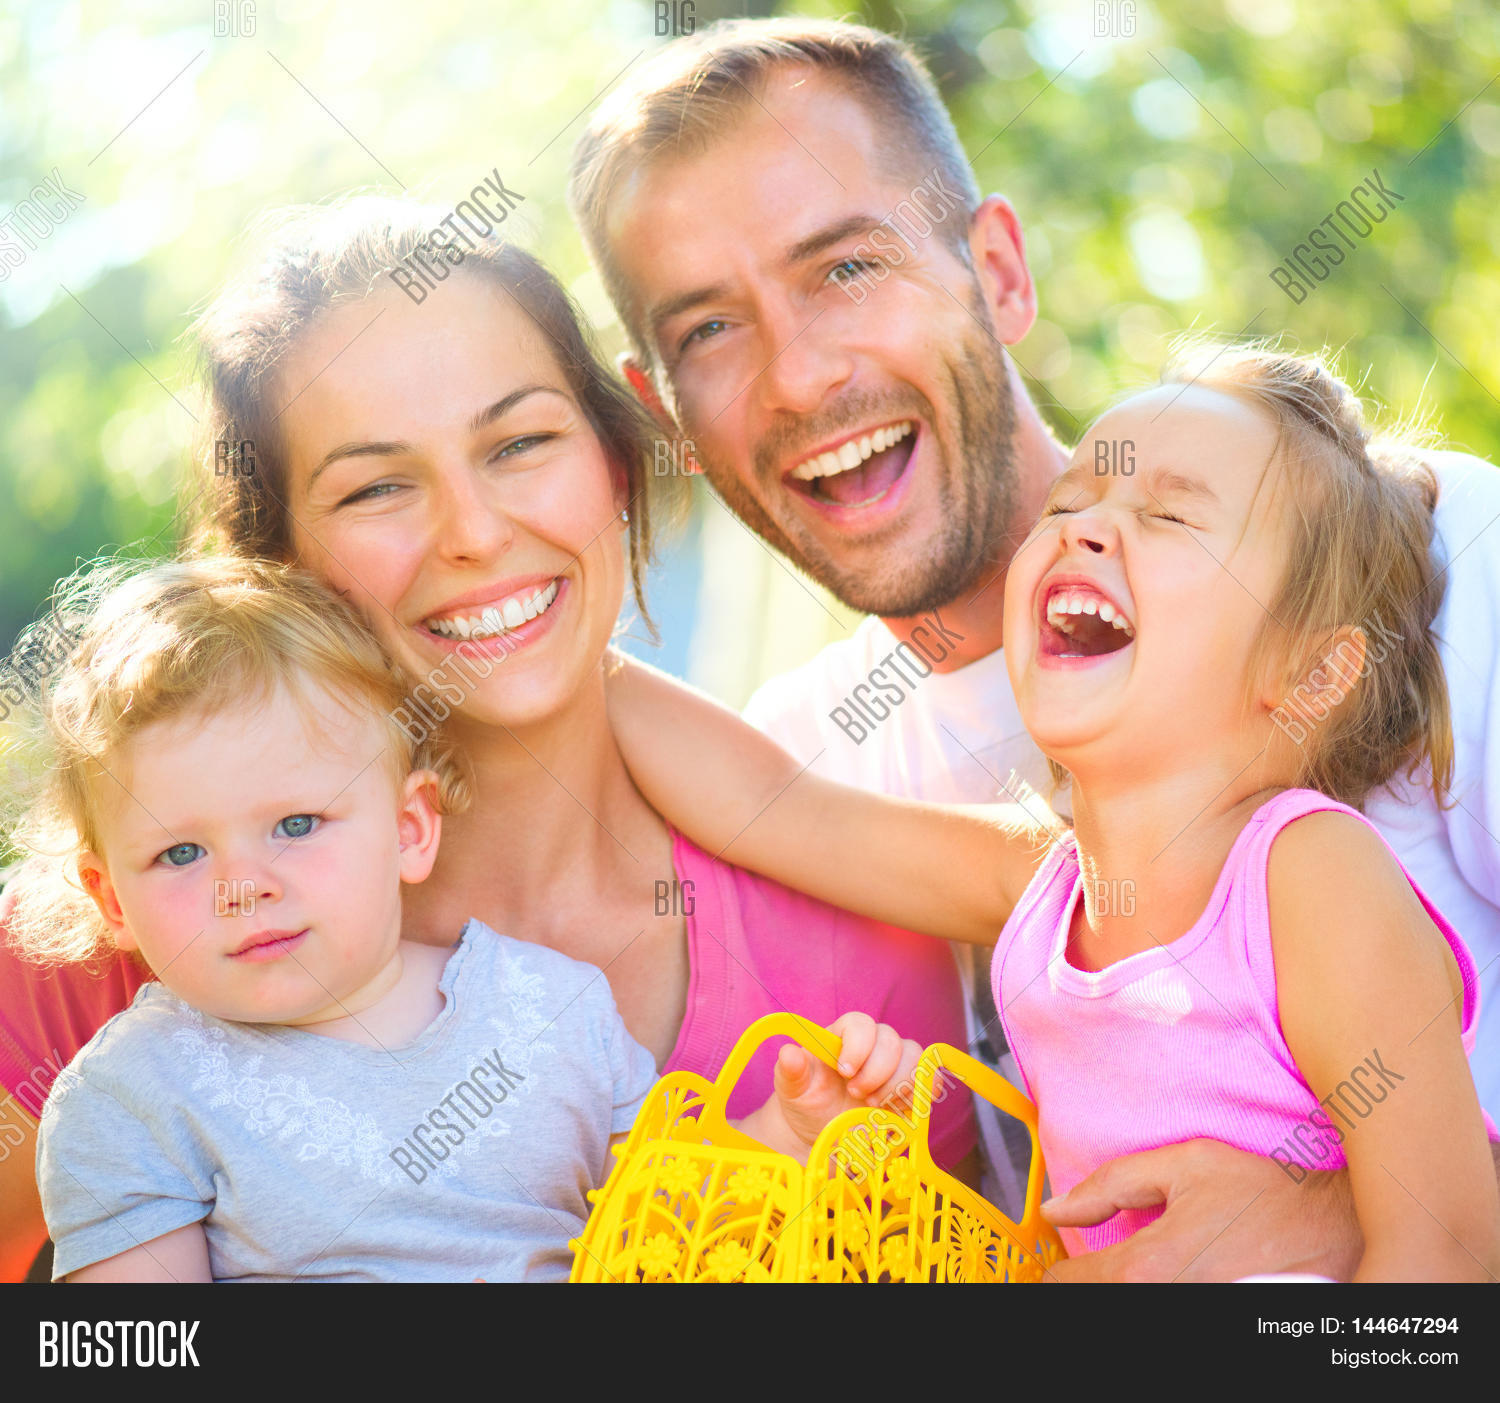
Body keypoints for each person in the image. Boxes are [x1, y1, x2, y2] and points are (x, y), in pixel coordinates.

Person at [569, 15, 1500, 1279]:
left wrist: (1339, 1217)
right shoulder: (996, 849)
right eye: (711, 332)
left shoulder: (1436, 557)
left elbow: (1438, 1259)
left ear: (999, 269)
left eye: (845, 266)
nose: (797, 376)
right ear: (659, 409)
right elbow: (766, 803)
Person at [0, 199, 972, 1279]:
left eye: (519, 442)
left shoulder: (853, 971)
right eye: (375, 486)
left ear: (612, 460)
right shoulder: (129, 927)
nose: (473, 532)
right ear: (277, 566)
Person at [14, 555, 920, 1283]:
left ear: (409, 830)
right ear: (109, 899)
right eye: (181, 853)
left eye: (296, 825)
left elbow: (668, 1228)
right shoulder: (136, 1091)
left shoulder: (551, 1007)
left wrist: (790, 1137)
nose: (242, 886)